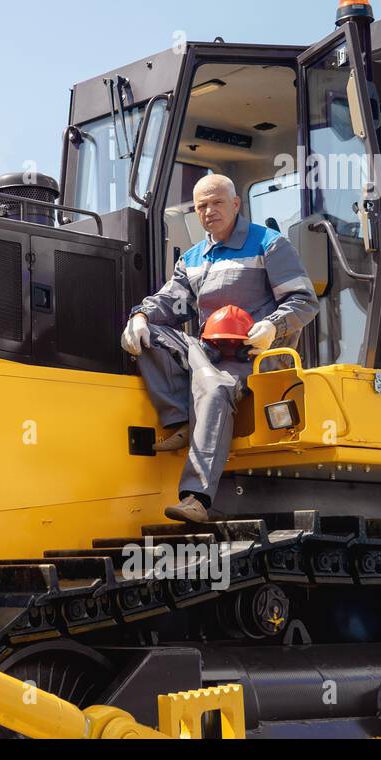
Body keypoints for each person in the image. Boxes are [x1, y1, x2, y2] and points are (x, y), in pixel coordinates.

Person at [121, 174, 318, 524]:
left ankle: (196, 499)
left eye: (216, 203)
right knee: (147, 333)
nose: (209, 211)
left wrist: (273, 326)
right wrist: (140, 315)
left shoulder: (269, 245)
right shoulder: (194, 258)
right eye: (201, 206)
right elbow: (170, 301)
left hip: (250, 358)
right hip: (206, 350)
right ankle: (180, 419)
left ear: (236, 204)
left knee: (213, 389)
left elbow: (303, 300)